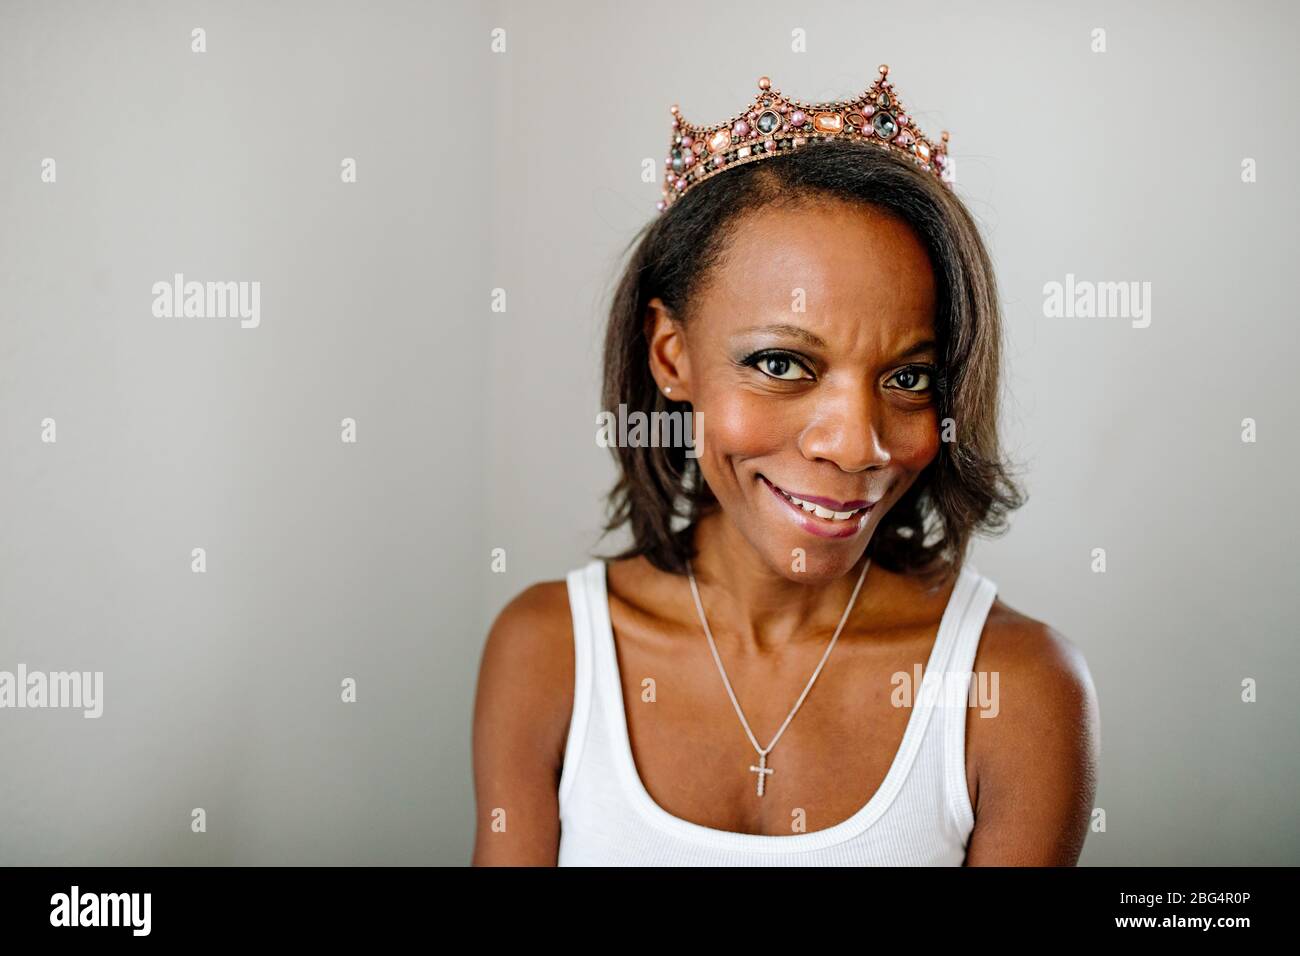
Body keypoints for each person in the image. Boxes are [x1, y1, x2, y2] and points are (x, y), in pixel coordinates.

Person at [472, 68, 1099, 866]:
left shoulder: (1016, 687)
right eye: (781, 363)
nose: (855, 444)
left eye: (909, 377)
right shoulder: (546, 652)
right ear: (672, 355)